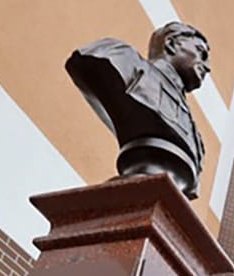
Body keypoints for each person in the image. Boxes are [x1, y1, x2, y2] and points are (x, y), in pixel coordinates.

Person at [66, 22, 209, 197]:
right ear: (171, 43)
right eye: (200, 52)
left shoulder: (196, 137)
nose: (207, 66)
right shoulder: (122, 58)